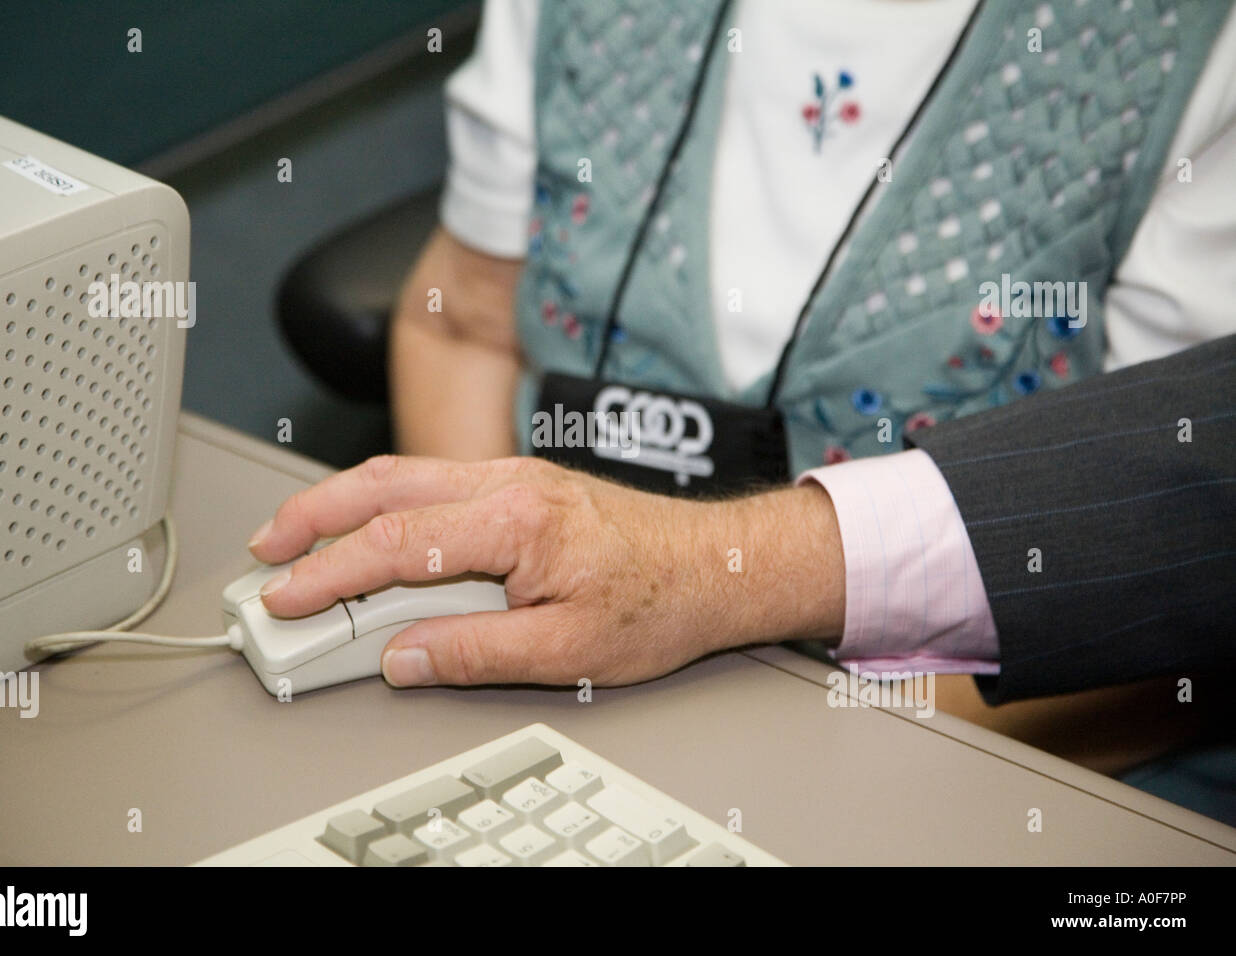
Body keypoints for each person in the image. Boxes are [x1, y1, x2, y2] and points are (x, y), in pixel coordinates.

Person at [250, 0, 1236, 774]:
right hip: (565, 681)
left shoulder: (1185, 50)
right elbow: (462, 319)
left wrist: (727, 750)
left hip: (958, 739)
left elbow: (1166, 574)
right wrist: (487, 631)